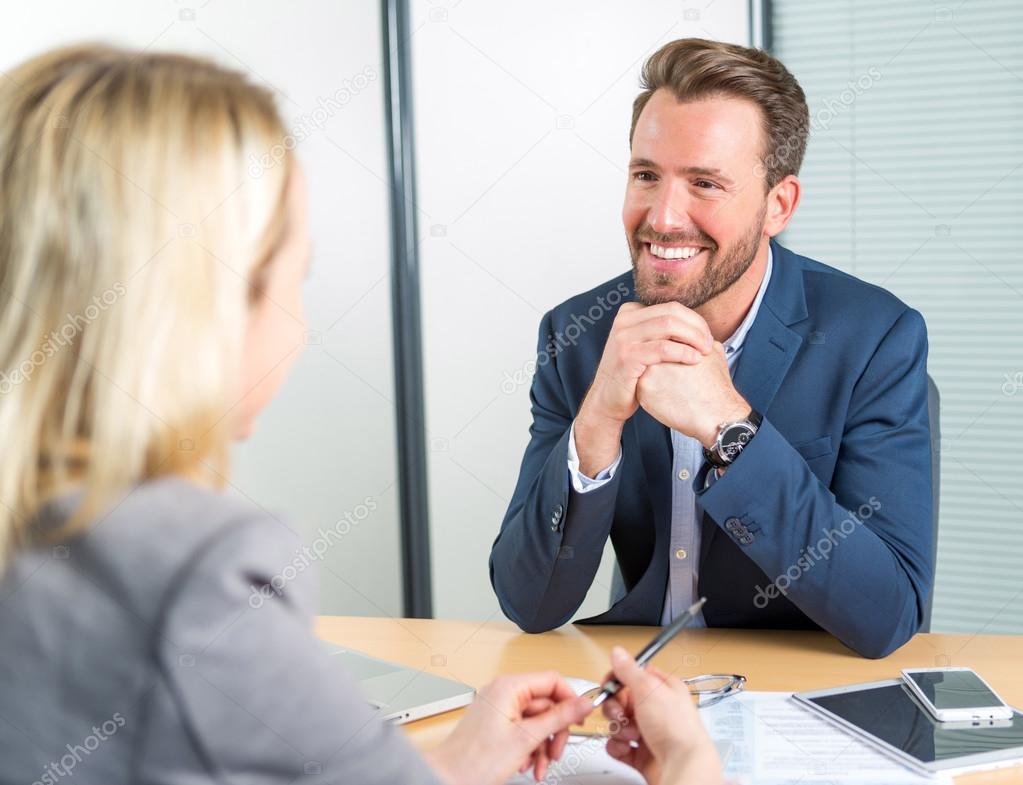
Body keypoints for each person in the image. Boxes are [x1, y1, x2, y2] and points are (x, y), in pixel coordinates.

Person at [0, 45, 721, 785]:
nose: (301, 324)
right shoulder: (196, 571)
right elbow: (528, 596)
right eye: (294, 275)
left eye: (704, 182)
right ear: (205, 305)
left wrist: (450, 766)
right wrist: (693, 764)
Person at [491, 38, 934, 659]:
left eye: (704, 183)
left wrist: (732, 427)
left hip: (798, 695)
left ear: (778, 205)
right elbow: (529, 603)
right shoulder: (580, 334)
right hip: (641, 692)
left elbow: (888, 611)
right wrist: (596, 424)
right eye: (647, 175)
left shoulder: (873, 339)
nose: (664, 217)